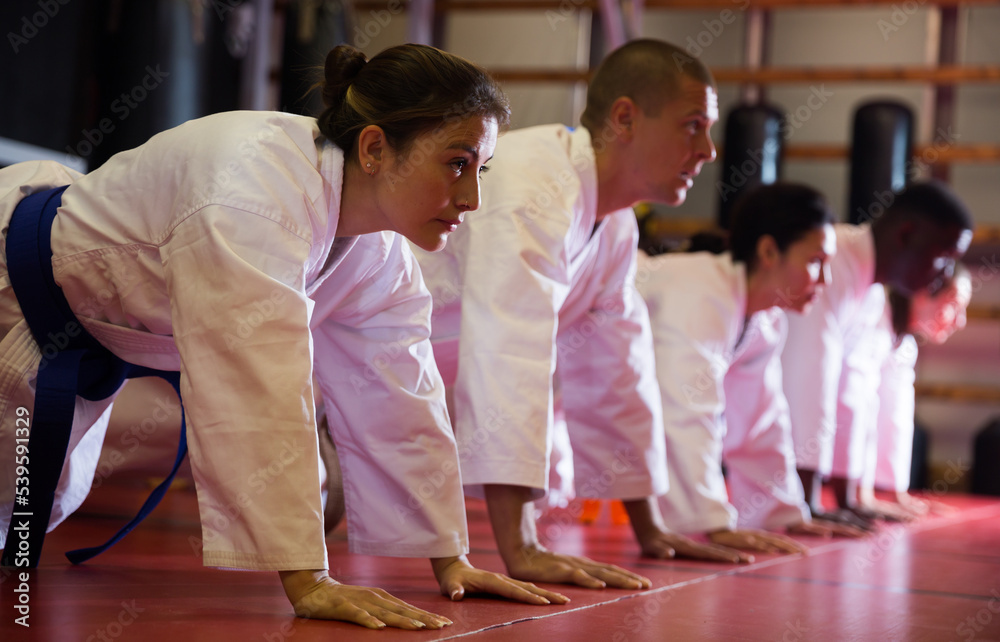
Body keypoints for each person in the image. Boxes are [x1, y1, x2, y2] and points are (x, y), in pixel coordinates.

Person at [0, 43, 566, 630]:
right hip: (14, 300)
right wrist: (309, 580)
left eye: (481, 169)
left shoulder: (378, 248)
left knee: (30, 516)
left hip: (93, 344)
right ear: (374, 148)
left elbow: (402, 392)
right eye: (457, 163)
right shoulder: (252, 191)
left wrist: (451, 559)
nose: (473, 199)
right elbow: (258, 388)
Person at [409, 38, 750, 593]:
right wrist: (521, 546)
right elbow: (508, 351)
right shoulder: (536, 183)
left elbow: (619, 375)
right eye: (693, 125)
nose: (709, 151)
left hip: (405, 387)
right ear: (625, 118)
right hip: (335, 367)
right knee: (309, 510)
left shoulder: (616, 227)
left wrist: (651, 528)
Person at [636, 183, 864, 554]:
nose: (825, 280)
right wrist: (710, 523)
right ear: (769, 251)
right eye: (815, 261)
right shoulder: (700, 292)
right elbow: (684, 412)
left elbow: (761, 422)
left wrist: (781, 511)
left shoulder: (765, 320)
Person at [781, 181, 974, 524]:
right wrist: (808, 504)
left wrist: (850, 500)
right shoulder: (833, 258)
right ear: (907, 234)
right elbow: (810, 379)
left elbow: (854, 397)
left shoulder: (872, 292)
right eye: (944, 256)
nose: (944, 274)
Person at [856, 264, 972, 519]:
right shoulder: (873, 316)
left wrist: (897, 494)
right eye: (954, 304)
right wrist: (861, 496)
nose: (960, 321)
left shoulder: (905, 343)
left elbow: (895, 419)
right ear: (922, 291)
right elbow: (860, 407)